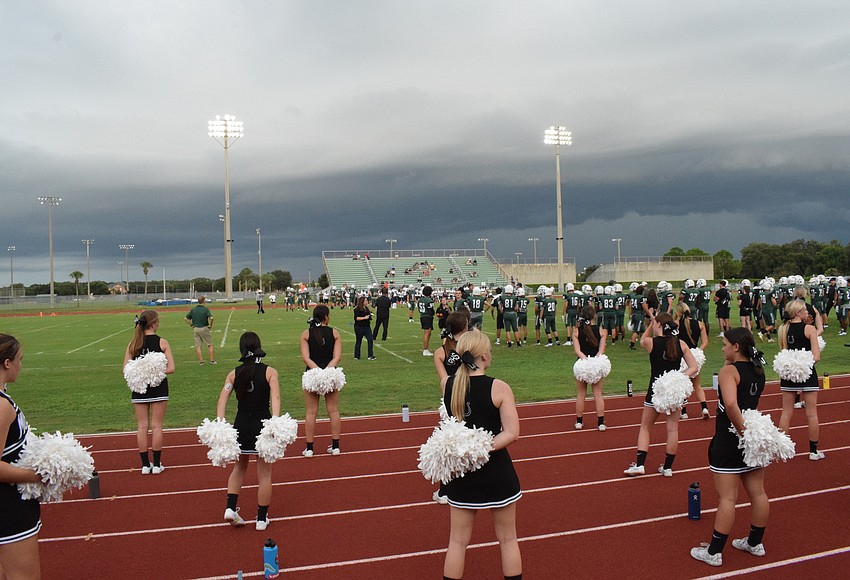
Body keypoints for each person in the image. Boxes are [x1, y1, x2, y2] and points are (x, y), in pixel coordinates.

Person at [441, 329, 522, 580]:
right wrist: (480, 448)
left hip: (462, 473)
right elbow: (512, 433)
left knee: (457, 541)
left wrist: (469, 451)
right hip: (497, 471)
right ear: (485, 355)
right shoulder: (499, 388)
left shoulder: (449, 385)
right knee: (508, 539)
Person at [690, 327, 768, 567]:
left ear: (736, 346)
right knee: (758, 494)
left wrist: (742, 433)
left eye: (725, 345)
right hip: (753, 439)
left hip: (731, 439)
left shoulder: (729, 372)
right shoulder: (758, 369)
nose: (722, 349)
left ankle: (714, 552)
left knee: (727, 498)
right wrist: (750, 436)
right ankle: (754, 543)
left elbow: (732, 404)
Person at [217, 332, 281, 531]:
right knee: (265, 474)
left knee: (239, 468)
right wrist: (275, 423)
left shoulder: (233, 374)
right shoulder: (270, 372)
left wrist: (221, 425)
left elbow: (221, 401)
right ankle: (261, 519)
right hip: (262, 425)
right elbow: (276, 398)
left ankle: (230, 508)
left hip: (241, 424)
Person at [624, 313, 698, 477]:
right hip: (674, 392)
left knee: (645, 427)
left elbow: (642, 339)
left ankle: (640, 465)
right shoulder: (681, 344)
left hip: (655, 391)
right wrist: (677, 378)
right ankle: (668, 468)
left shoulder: (652, 343)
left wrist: (651, 324)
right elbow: (694, 367)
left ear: (659, 325)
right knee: (672, 429)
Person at [0, 335, 43, 579]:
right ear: (7, 363)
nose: (20, 365)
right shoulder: (1, 407)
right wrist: (38, 475)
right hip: (9, 509)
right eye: (19, 359)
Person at [124, 310, 175, 474]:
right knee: (157, 426)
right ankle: (157, 465)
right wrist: (154, 373)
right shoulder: (162, 342)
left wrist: (143, 374)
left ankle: (145, 465)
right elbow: (171, 368)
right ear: (153, 324)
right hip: (159, 388)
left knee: (142, 427)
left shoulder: (133, 344)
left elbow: (126, 369)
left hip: (139, 389)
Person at [776, 299, 824, 460]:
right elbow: (816, 357)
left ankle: (782, 450)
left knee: (786, 413)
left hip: (788, 374)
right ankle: (813, 452)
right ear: (798, 313)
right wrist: (803, 365)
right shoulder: (809, 329)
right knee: (811, 414)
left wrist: (793, 366)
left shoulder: (783, 329)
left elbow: (783, 353)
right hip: (808, 373)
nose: (807, 312)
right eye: (804, 310)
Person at [300, 305, 343, 456]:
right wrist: (327, 371)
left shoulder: (306, 334)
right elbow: (337, 357)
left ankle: (309, 448)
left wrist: (317, 371)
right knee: (334, 410)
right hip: (331, 375)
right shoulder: (334, 333)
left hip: (312, 375)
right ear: (326, 317)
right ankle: (336, 446)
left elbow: (306, 358)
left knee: (311, 412)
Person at [572, 305, 608, 431]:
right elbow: (601, 350)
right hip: (596, 365)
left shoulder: (576, 331)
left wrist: (585, 361)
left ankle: (579, 422)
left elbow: (578, 351)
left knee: (581, 394)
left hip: (581, 365)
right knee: (598, 394)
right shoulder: (600, 330)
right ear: (594, 316)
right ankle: (600, 423)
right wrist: (594, 362)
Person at [673, 302, 710, 420]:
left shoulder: (675, 324)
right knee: (697, 384)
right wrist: (697, 351)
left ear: (678, 312)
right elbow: (705, 342)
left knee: (682, 384)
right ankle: (704, 407)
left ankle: (684, 411)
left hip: (682, 357)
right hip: (695, 357)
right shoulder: (699, 324)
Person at [186, 296, 216, 365]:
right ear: (204, 301)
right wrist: (210, 325)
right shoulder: (205, 309)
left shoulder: (193, 310)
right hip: (204, 328)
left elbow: (186, 318)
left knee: (198, 345)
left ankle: (201, 361)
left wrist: (192, 325)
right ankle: (212, 361)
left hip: (196, 329)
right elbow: (211, 318)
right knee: (209, 344)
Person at [352, 295, 376, 360]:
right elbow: (357, 318)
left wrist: (370, 316)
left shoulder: (366, 308)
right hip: (359, 327)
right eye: (365, 300)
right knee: (359, 341)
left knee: (370, 339)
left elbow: (368, 316)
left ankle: (370, 355)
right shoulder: (357, 309)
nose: (367, 301)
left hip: (367, 327)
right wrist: (365, 318)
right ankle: (357, 355)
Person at [418, 285, 436, 356]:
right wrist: (433, 313)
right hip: (427, 317)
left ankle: (426, 349)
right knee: (427, 333)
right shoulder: (429, 300)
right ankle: (425, 350)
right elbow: (431, 310)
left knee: (428, 332)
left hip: (422, 316)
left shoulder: (420, 299)